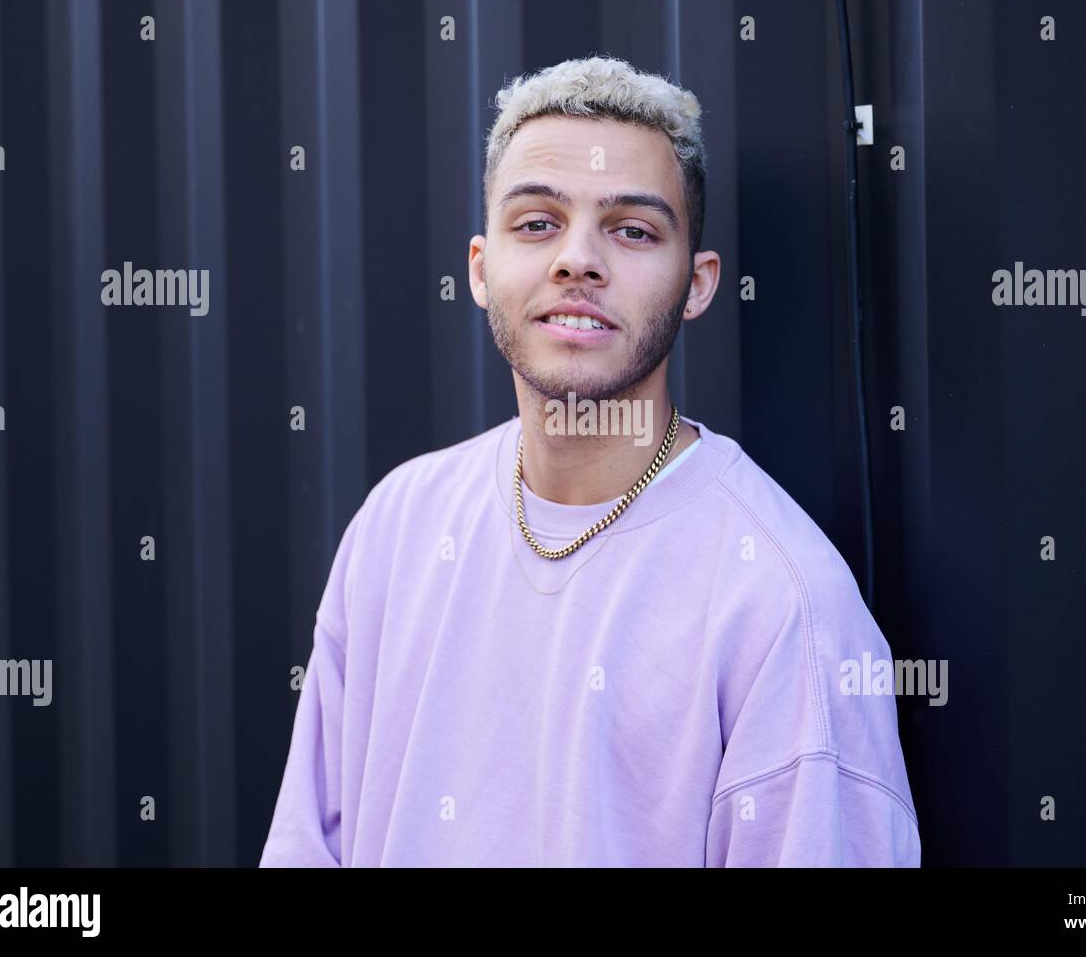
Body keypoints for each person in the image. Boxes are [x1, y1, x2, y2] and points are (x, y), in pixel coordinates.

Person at [260, 55, 920, 867]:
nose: (578, 260)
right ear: (479, 268)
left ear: (697, 285)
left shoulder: (784, 604)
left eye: (632, 230)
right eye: (537, 222)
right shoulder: (397, 527)